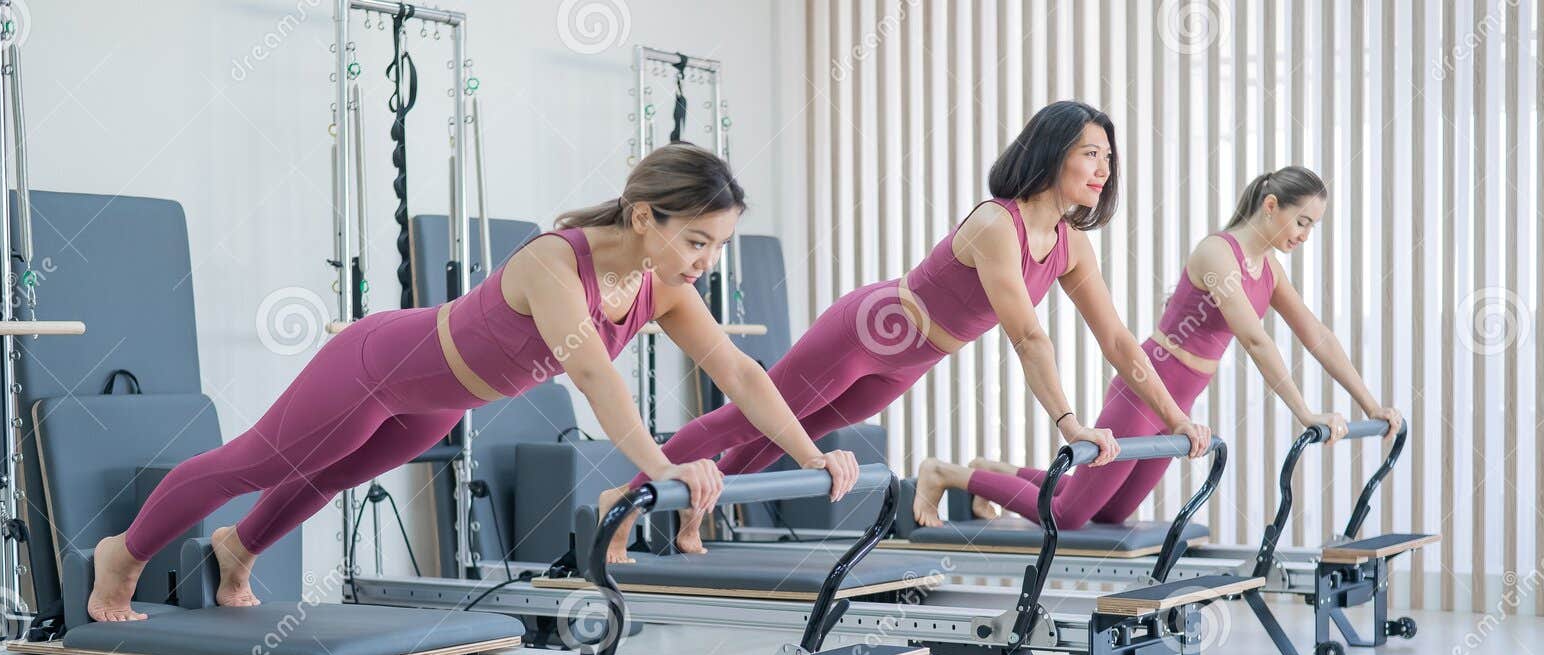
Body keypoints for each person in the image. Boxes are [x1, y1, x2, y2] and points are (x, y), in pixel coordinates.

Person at [86, 143, 858, 621]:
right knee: (260, 462)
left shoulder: (666, 288)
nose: (704, 263)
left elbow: (740, 372)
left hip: (438, 402)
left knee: (330, 478)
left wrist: (810, 455)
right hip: (374, 366)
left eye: (715, 248)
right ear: (646, 216)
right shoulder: (553, 262)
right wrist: (660, 468)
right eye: (696, 241)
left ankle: (238, 549)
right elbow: (590, 373)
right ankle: (123, 554)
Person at [605, 101, 1209, 561]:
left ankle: (694, 514)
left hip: (908, 362)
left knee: (792, 431)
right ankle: (624, 504)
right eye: (1090, 153)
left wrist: (1175, 418)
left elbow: (1119, 342)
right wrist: (1070, 423)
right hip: (866, 334)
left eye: (1108, 156)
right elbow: (1028, 336)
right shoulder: (999, 224)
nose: (1102, 168)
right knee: (748, 419)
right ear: (1053, 155)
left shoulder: (1072, 245)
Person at [919, 165, 1402, 529]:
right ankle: (947, 474)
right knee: (1068, 516)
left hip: (1181, 399)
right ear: (1271, 205)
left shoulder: (1268, 268)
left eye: (1313, 226)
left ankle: (996, 471)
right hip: (1144, 390)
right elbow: (1255, 339)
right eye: (1302, 220)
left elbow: (1316, 334)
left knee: (1110, 513)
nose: (1304, 234)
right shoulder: (1218, 252)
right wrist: (1306, 413)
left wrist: (1370, 403)